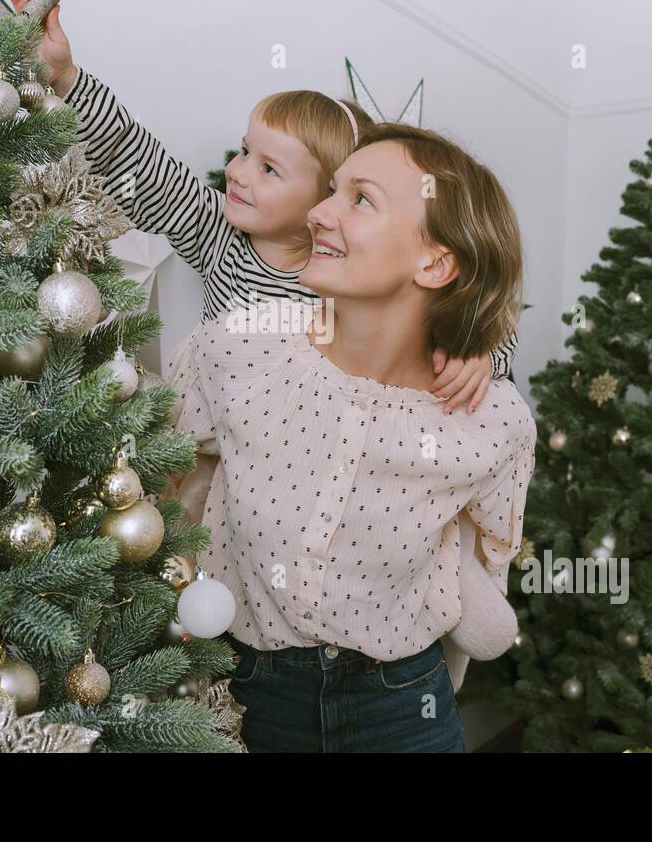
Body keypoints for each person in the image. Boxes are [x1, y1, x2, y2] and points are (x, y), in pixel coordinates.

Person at [172, 121, 536, 751]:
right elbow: (169, 504)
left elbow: (480, 570)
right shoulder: (233, 350)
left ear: (435, 260)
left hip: (404, 708)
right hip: (243, 693)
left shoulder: (495, 420)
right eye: (330, 191)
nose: (317, 213)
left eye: (360, 198)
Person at [6, 0, 518, 410]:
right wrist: (67, 79)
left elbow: (465, 306)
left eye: (269, 168)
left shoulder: (351, 280)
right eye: (245, 151)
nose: (236, 171)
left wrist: (479, 355)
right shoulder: (218, 235)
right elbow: (137, 160)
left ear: (325, 198)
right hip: (213, 456)